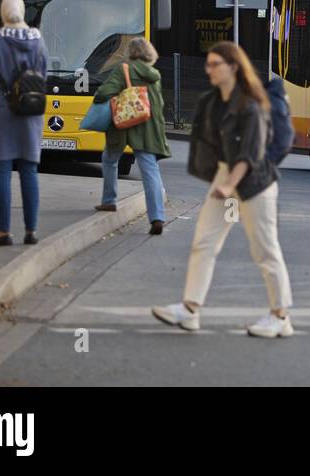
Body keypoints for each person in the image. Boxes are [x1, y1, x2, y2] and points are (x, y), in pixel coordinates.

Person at [153, 42, 293, 339]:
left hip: (254, 181)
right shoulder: (214, 101)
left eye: (215, 64)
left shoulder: (251, 105)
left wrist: (230, 184)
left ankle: (280, 316)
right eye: (208, 64)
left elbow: (251, 153)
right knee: (204, 241)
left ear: (233, 67)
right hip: (225, 174)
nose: (209, 70)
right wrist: (219, 177)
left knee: (264, 248)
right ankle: (190, 310)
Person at [0, 0, 48, 248]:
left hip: (1, 111)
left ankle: (3, 231)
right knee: (29, 171)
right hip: (31, 112)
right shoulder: (39, 40)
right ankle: (31, 230)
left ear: (3, 13)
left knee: (2, 171)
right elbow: (43, 73)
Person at [91, 37, 169, 235]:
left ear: (131, 52)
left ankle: (109, 201)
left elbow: (103, 93)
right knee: (150, 170)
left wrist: (109, 95)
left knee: (109, 159)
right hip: (148, 127)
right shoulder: (154, 75)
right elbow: (158, 105)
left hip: (125, 126)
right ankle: (157, 217)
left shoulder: (123, 69)